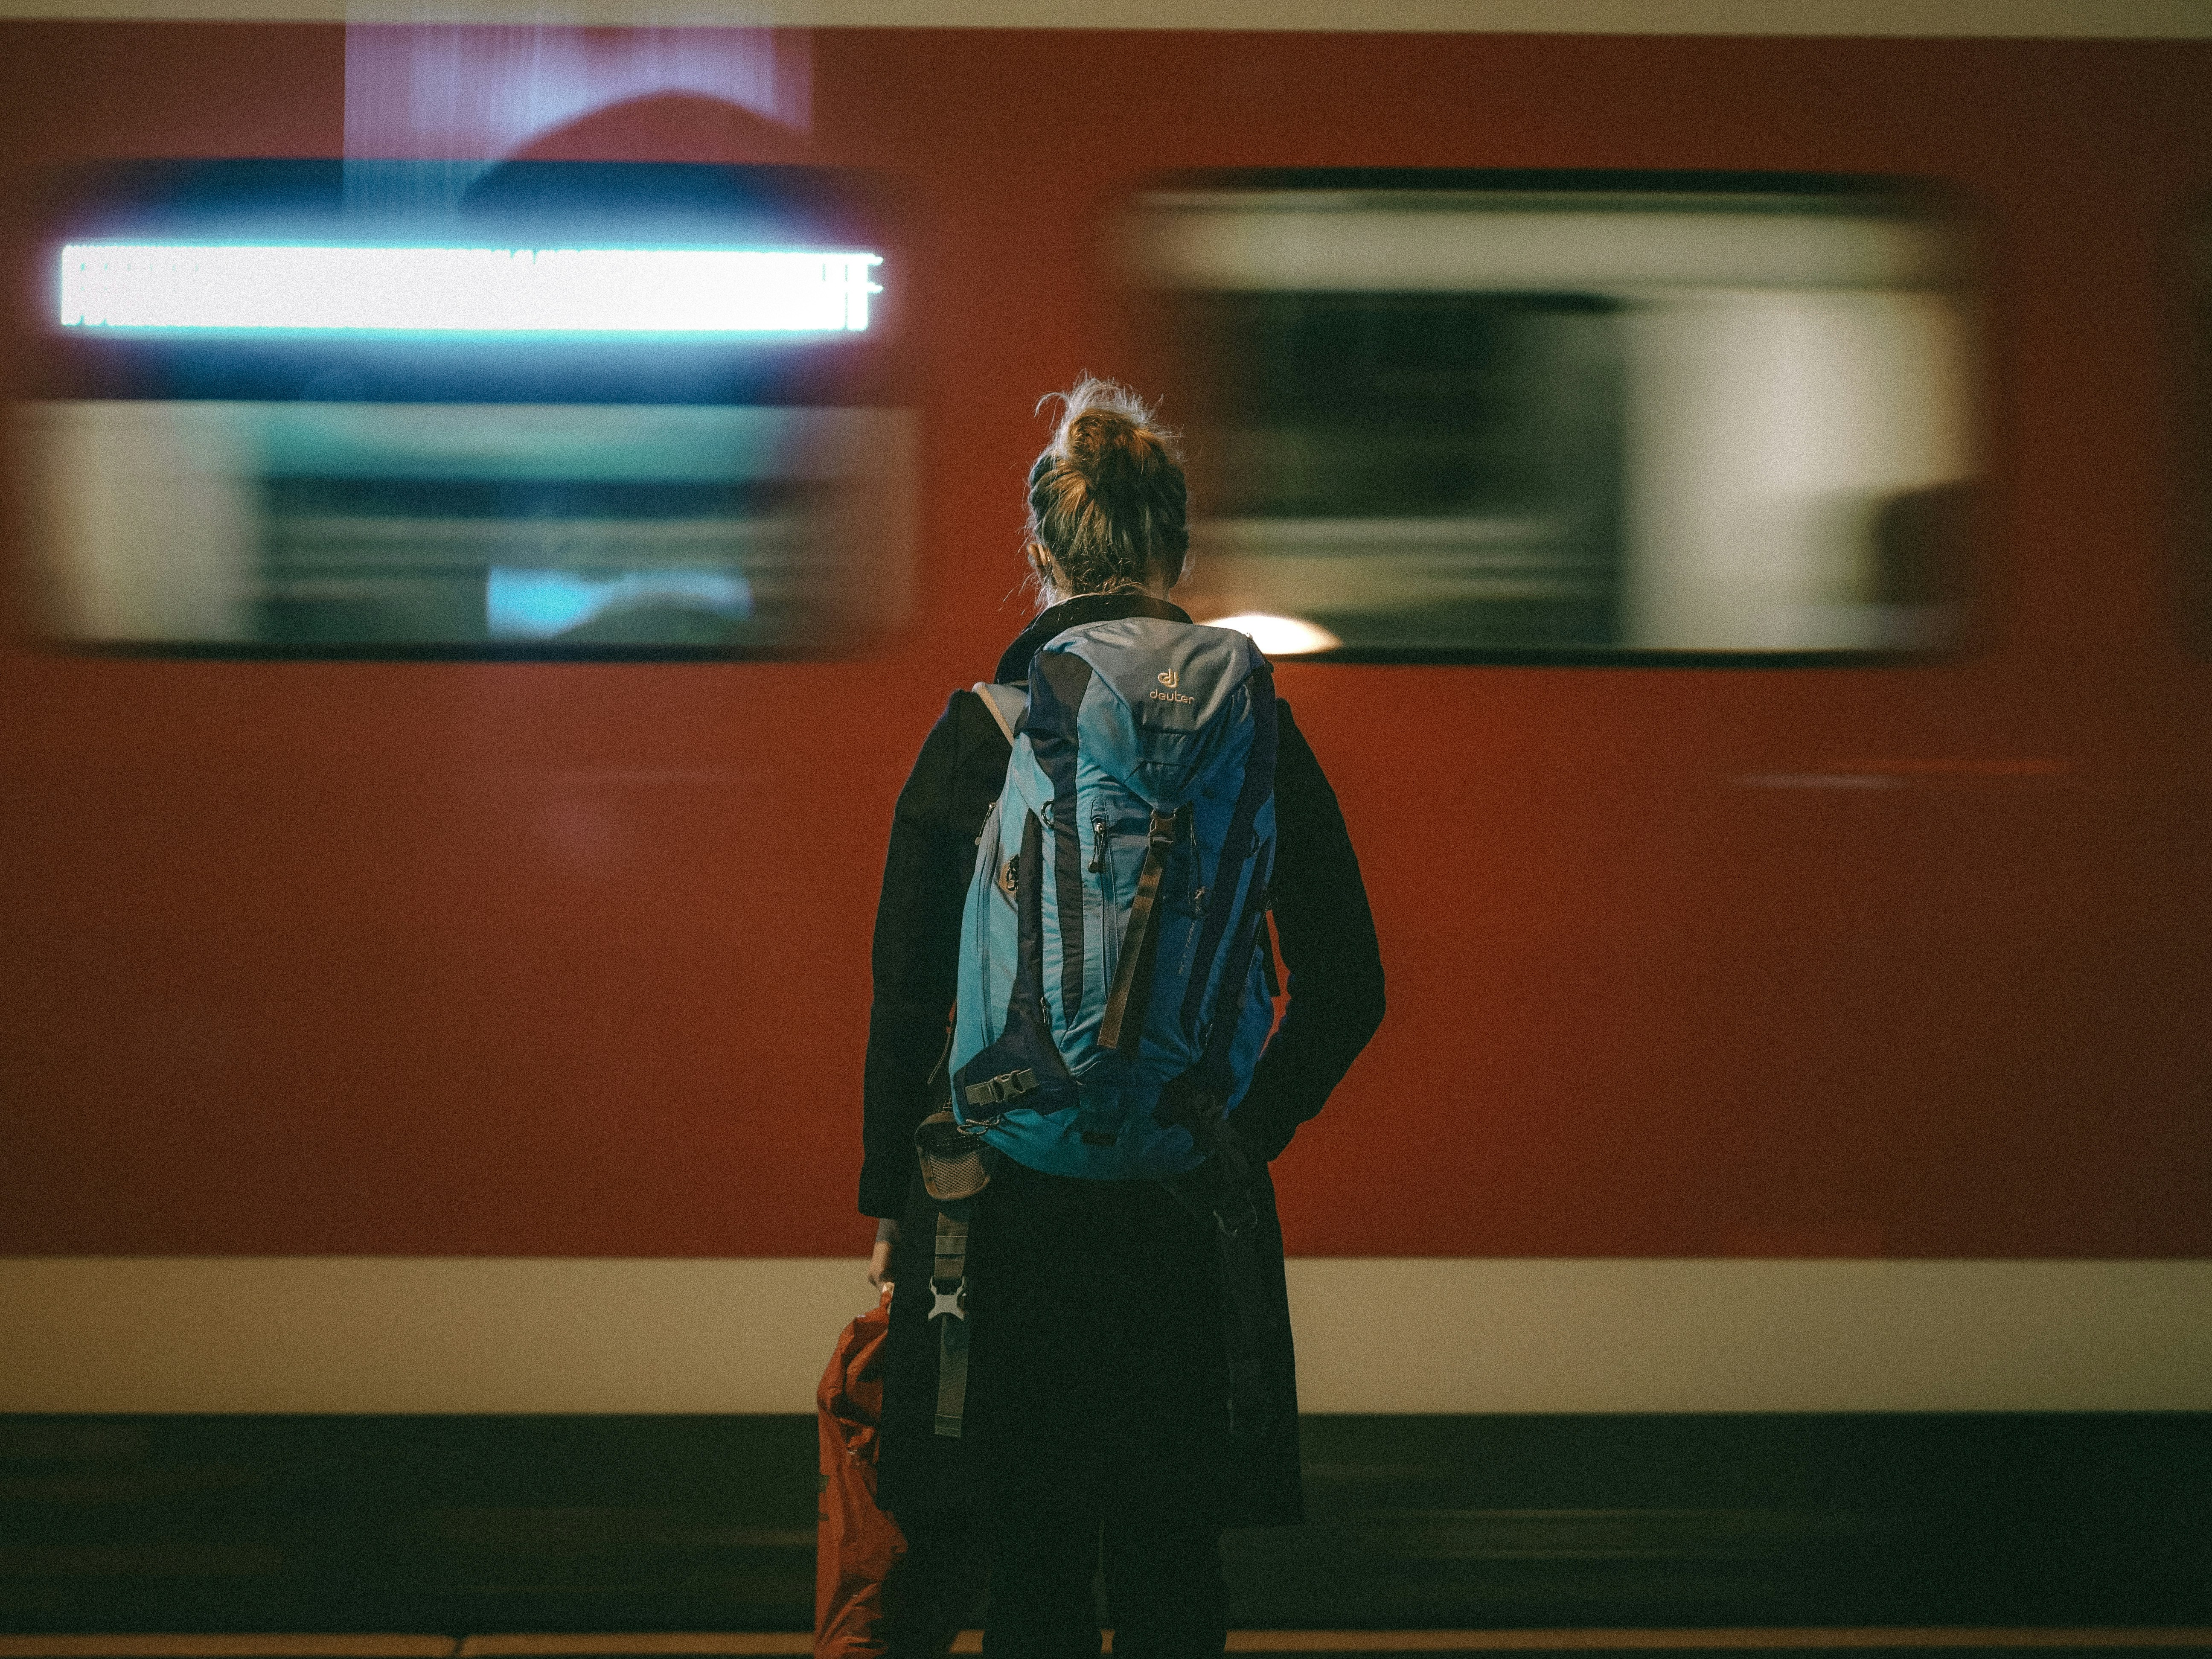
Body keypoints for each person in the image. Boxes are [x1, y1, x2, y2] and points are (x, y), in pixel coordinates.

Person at [858, 378, 1385, 1659]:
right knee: (1168, 1567)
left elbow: (907, 992)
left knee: (1033, 1560)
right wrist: (1236, 1134)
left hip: (1006, 1212)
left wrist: (892, 1201)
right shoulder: (1261, 729)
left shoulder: (980, 737)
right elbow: (1351, 988)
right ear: (1178, 550)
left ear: (1041, 554)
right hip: (1180, 1213)